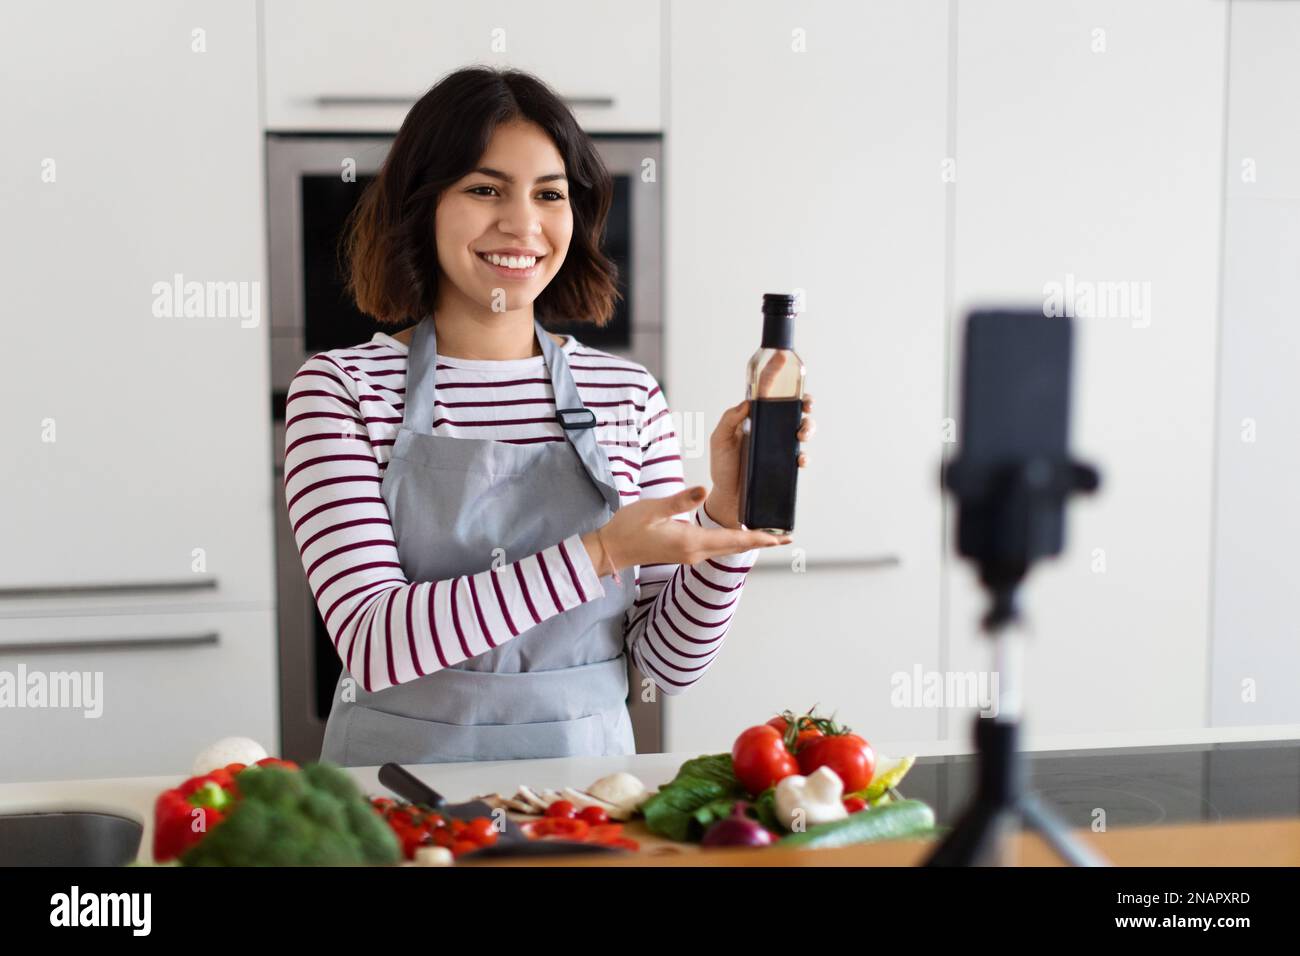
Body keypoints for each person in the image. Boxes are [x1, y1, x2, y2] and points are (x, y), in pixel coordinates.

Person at [283, 67, 817, 766]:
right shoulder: (341, 389)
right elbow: (377, 642)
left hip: (585, 795)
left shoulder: (627, 394)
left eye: (549, 195)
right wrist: (602, 553)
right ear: (423, 205)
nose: (522, 224)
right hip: (395, 802)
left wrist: (726, 524)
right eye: (484, 189)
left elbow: (667, 665)